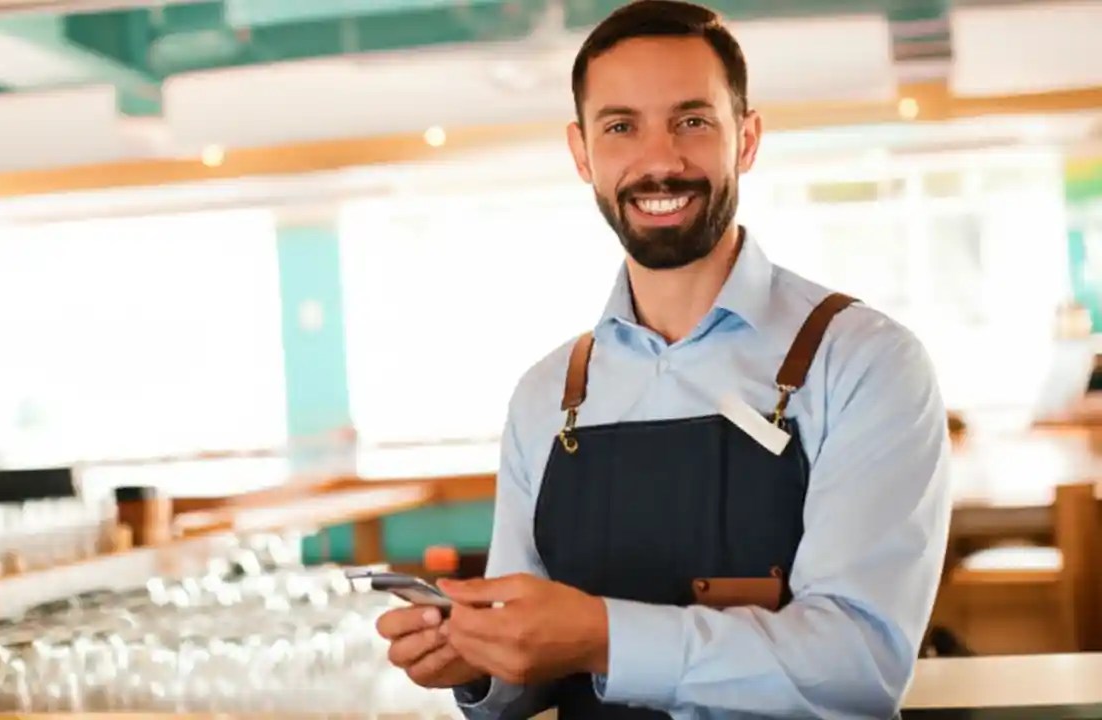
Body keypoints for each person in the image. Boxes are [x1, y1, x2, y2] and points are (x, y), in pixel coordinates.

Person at [374, 0, 952, 717]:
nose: (660, 161)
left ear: (746, 138)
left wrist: (601, 637)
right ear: (582, 153)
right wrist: (477, 665)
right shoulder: (547, 396)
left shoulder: (864, 362)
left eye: (692, 121)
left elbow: (857, 665)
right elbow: (521, 679)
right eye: (621, 127)